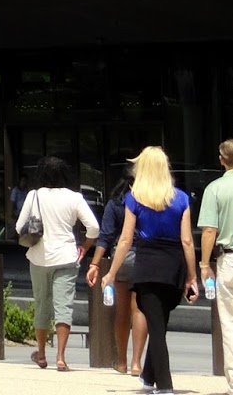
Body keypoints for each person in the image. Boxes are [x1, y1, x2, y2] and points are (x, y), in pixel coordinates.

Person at [102, 146, 198, 394]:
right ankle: (147, 375)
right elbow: (187, 241)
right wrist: (192, 276)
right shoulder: (182, 199)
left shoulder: (134, 199)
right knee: (159, 322)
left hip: (147, 264)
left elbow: (125, 241)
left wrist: (111, 273)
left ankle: (164, 384)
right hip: (173, 264)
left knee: (157, 325)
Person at [16, 156, 98, 373]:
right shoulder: (74, 197)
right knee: (64, 306)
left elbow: (18, 227)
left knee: (42, 305)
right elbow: (94, 228)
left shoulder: (33, 196)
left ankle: (41, 354)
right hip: (66, 257)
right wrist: (86, 246)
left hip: (39, 258)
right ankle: (61, 357)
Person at [86, 175, 148, 376]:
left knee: (122, 311)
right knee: (139, 310)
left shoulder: (115, 204)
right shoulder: (150, 201)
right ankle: (136, 363)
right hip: (146, 257)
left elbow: (105, 236)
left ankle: (121, 361)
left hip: (123, 258)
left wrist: (95, 263)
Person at [198, 137, 233, 392]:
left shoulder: (215, 189)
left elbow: (209, 230)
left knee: (230, 323)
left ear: (222, 160)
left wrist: (203, 264)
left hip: (229, 259)